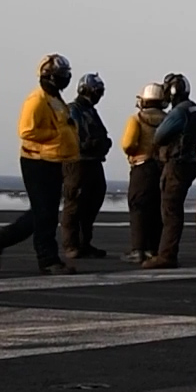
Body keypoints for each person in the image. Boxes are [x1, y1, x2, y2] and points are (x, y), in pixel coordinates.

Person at [0, 54, 81, 275]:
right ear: (48, 76)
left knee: (41, 213)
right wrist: (56, 134)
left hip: (53, 161)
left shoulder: (55, 99)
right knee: (45, 215)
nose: (65, 79)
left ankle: (1, 239)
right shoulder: (37, 100)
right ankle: (48, 260)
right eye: (61, 76)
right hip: (37, 162)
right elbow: (26, 131)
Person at [143, 73, 196, 269]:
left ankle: (166, 255)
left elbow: (159, 136)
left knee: (170, 210)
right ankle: (166, 252)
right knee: (174, 209)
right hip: (188, 163)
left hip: (176, 164)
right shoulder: (195, 109)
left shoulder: (179, 112)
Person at [59, 72, 112, 259]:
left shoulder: (91, 111)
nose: (98, 95)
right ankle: (71, 245)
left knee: (92, 203)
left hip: (94, 163)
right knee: (74, 204)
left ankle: (84, 243)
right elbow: (73, 137)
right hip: (77, 163)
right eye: (97, 91)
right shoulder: (73, 110)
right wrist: (92, 144)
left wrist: (103, 144)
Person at [119, 82, 168, 263]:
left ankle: (138, 250)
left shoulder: (136, 119)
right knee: (157, 209)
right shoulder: (168, 119)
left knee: (138, 207)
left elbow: (128, 144)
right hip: (163, 168)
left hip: (142, 166)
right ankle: (153, 249)